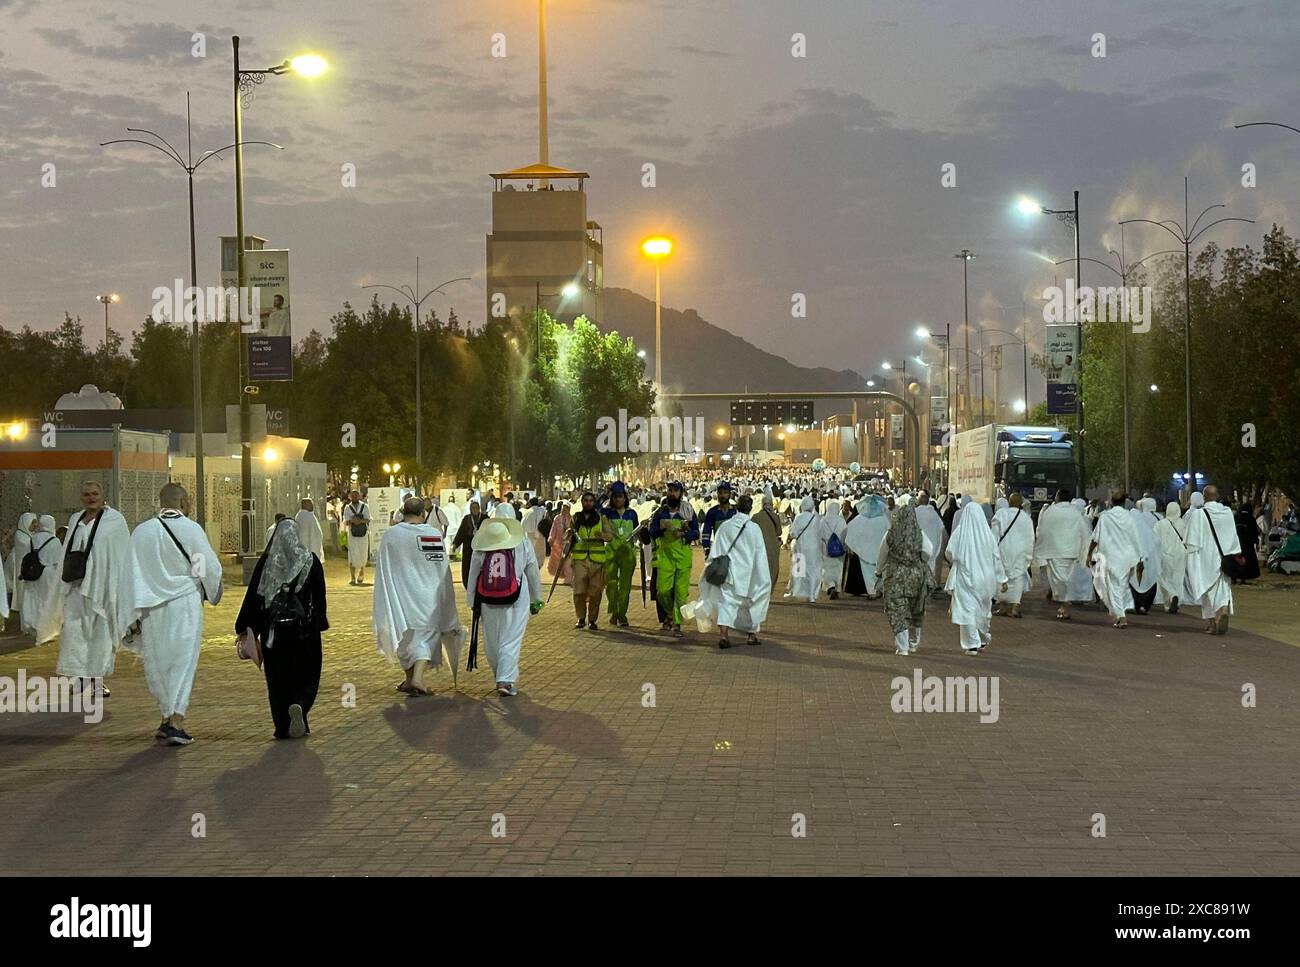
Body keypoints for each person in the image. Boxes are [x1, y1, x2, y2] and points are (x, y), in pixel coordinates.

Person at [126, 483, 224, 746]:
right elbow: (206, 565)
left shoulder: (142, 531)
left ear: (160, 501)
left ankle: (166, 716)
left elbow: (130, 571)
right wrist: (213, 591)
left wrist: (133, 608)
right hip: (184, 604)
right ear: (184, 501)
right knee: (183, 661)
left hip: (152, 607)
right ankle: (176, 721)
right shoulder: (191, 529)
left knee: (158, 660)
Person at [38, 480, 135, 698]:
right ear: (81, 498)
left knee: (100, 635)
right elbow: (67, 553)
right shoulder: (75, 519)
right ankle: (81, 678)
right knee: (75, 634)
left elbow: (120, 556)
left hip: (103, 590)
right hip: (76, 589)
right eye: (87, 494)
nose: (91, 498)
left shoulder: (114, 521)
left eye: (95, 494)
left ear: (102, 496)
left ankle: (97, 680)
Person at [236, 519, 327, 739]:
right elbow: (320, 595)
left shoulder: (267, 562)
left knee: (278, 679)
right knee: (307, 673)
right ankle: (300, 706)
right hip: (305, 630)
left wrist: (245, 627)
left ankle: (282, 726)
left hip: (273, 632)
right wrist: (320, 622)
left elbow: (254, 598)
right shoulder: (310, 560)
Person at [373, 496, 464, 696]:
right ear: (423, 514)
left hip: (401, 596)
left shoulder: (391, 535)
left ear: (403, 513)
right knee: (426, 635)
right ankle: (415, 679)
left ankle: (411, 678)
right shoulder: (432, 533)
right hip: (429, 595)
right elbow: (441, 566)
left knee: (405, 638)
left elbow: (384, 567)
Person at [467, 508, 544, 696]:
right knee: (511, 639)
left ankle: (499, 674)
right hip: (517, 596)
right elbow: (532, 570)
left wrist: (471, 600)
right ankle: (505, 680)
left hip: (487, 597)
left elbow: (474, 572)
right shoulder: (522, 542)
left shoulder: (483, 543)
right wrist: (537, 599)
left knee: (492, 639)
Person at [698, 495, 770, 649]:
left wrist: (710, 566)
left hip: (728, 573)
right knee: (749, 604)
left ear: (736, 507)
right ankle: (751, 635)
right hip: (748, 575)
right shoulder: (754, 529)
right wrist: (762, 575)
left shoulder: (725, 526)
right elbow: (760, 555)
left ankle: (724, 635)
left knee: (726, 603)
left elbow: (716, 550)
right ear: (750, 509)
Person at [945, 496, 1007, 654]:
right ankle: (980, 637)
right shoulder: (987, 535)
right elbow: (996, 558)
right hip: (986, 580)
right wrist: (1002, 579)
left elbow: (950, 553)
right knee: (982, 610)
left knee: (967, 610)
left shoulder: (959, 533)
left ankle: (973, 643)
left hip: (966, 578)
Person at [876, 504, 934, 656]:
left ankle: (903, 647)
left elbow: (882, 554)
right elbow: (929, 550)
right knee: (915, 609)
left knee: (897, 610)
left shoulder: (891, 534)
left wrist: (878, 571)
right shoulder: (920, 534)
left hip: (895, 577)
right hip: (916, 576)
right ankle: (913, 643)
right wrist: (920, 559)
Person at [1183, 485, 1240, 635]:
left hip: (1205, 558)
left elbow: (1191, 541)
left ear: (1204, 496)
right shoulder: (1227, 512)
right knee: (1222, 587)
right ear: (1217, 495)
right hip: (1224, 558)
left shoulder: (1198, 515)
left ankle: (1212, 623)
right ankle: (1223, 608)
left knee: (1206, 588)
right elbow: (1233, 536)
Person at [649, 481, 698, 636]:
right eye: (670, 490)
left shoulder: (688, 511)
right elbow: (652, 531)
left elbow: (696, 532)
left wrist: (684, 534)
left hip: (683, 558)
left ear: (681, 493)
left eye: (675, 491)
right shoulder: (660, 512)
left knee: (681, 593)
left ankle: (677, 624)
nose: (672, 493)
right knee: (662, 591)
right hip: (665, 558)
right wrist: (662, 528)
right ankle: (671, 613)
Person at [1033, 490, 1092, 620]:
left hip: (1054, 551)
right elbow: (1084, 532)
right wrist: (1086, 550)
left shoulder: (1050, 512)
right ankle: (1065, 603)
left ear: (1058, 497)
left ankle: (1065, 603)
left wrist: (1040, 549)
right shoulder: (1075, 513)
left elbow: (1043, 531)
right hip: (1071, 551)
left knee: (1059, 579)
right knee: (1065, 579)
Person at [1089, 490, 1144, 628]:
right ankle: (1123, 610)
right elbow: (1136, 538)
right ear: (1125, 502)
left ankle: (1121, 616)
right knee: (1121, 585)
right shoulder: (1130, 518)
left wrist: (1089, 553)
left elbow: (1095, 538)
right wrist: (1140, 558)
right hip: (1127, 558)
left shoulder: (1105, 517)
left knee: (1114, 587)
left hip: (1111, 557)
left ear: (1111, 502)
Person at [567, 491, 613, 630]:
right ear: (582, 502)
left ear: (594, 503)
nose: (588, 503)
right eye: (585, 500)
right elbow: (569, 534)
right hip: (580, 559)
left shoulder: (601, 518)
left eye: (590, 501)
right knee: (579, 591)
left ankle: (592, 619)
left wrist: (602, 536)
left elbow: (610, 536)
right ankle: (580, 618)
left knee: (596, 592)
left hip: (597, 560)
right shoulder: (576, 518)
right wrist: (569, 534)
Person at [602, 482, 639, 628]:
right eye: (615, 497)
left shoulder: (632, 514)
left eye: (620, 497)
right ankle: (613, 611)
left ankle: (621, 614)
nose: (618, 500)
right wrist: (606, 493)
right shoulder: (606, 513)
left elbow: (637, 532)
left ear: (625, 498)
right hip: (611, 554)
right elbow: (597, 508)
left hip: (628, 554)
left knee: (625, 586)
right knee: (611, 585)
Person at [991, 493, 1035, 618]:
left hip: (1003, 550)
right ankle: (1015, 607)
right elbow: (1030, 538)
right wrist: (1029, 555)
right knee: (1017, 578)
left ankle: (1002, 606)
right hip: (1020, 552)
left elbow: (994, 534)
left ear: (1009, 502)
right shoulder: (1026, 518)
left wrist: (992, 550)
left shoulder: (1000, 514)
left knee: (1001, 576)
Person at [18, 515, 60, 636]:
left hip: (33, 572)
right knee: (47, 600)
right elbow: (58, 560)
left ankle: (34, 625)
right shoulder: (54, 541)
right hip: (48, 574)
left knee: (34, 600)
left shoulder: (33, 538)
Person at [843, 495, 888, 599]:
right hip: (879, 550)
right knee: (879, 570)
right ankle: (879, 590)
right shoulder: (883, 519)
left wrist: (853, 548)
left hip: (863, 551)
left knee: (867, 572)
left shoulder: (859, 520)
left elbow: (850, 530)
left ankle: (872, 591)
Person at [1128, 497, 1162, 614]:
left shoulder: (1132, 527)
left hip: (1133, 559)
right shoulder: (1159, 518)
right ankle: (1144, 606)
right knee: (1149, 582)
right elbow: (1156, 542)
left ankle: (1133, 604)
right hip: (1150, 559)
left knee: (1132, 582)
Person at [1153, 502, 1188, 613]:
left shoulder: (1160, 524)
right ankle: (1176, 599)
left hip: (1164, 555)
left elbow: (1154, 540)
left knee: (1163, 578)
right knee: (1177, 579)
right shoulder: (1183, 524)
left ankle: (1171, 597)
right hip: (1180, 555)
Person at [5, 512, 37, 618]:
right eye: (33, 523)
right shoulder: (21, 535)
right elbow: (28, 547)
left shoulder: (29, 535)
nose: (35, 526)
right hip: (21, 569)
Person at [913, 492, 947, 588]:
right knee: (930, 565)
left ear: (919, 501)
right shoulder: (933, 514)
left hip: (918, 545)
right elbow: (941, 529)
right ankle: (928, 584)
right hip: (932, 545)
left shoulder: (915, 512)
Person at [452, 499, 485, 589]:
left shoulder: (485, 518)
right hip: (468, 547)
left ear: (479, 508)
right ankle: (468, 584)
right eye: (472, 508)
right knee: (467, 567)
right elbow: (461, 532)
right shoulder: (466, 519)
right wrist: (455, 544)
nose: (474, 510)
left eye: (476, 508)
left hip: (481, 547)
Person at [753, 493, 783, 590]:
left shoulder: (755, 517)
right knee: (772, 569)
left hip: (759, 546)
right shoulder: (775, 517)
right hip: (773, 547)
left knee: (759, 570)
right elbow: (779, 532)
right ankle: (768, 591)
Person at [342, 489, 372, 586]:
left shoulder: (365, 507)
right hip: (352, 534)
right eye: (353, 496)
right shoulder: (347, 508)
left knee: (363, 553)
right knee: (352, 554)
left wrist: (361, 521)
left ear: (359, 496)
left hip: (363, 534)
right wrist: (352, 521)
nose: (355, 497)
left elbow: (368, 519)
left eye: (356, 495)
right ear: (350, 497)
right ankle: (352, 577)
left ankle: (361, 572)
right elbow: (345, 521)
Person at [820, 498, 848, 600]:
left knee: (826, 569)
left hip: (826, 549)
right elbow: (845, 534)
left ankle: (830, 586)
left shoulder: (823, 521)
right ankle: (836, 588)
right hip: (839, 549)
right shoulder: (841, 521)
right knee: (838, 570)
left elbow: (819, 534)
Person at [700, 482, 737, 554]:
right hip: (719, 549)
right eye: (720, 493)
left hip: (735, 549)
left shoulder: (736, 511)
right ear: (717, 494)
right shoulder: (712, 512)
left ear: (729, 494)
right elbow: (706, 531)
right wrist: (706, 547)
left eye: (725, 492)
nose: (722, 495)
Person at [1233, 500, 1262, 583]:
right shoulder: (1250, 518)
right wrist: (1255, 541)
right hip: (1248, 544)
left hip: (1236, 543)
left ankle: (1234, 577)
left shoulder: (1236, 517)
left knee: (1236, 559)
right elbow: (1254, 531)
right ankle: (1244, 578)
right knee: (1247, 560)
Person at [546, 501, 573, 586]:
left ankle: (568, 579)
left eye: (566, 509)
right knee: (558, 562)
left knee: (568, 562)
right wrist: (551, 538)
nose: (564, 510)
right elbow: (553, 529)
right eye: (563, 508)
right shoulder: (557, 518)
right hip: (558, 544)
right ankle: (560, 576)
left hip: (568, 543)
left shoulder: (572, 519)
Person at [521, 497, 548, 569]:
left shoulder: (527, 512)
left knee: (531, 554)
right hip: (540, 534)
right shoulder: (541, 510)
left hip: (528, 535)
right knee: (539, 555)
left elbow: (522, 525)